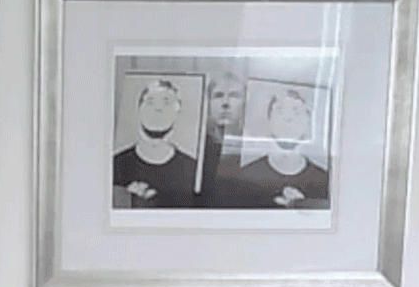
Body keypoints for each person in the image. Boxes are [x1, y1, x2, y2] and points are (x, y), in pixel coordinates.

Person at [225, 88, 330, 209]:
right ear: (269, 120)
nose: (288, 118)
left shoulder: (324, 181)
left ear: (308, 122)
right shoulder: (245, 178)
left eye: (296, 112)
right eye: (280, 111)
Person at [111, 79, 199, 208]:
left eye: (166, 102)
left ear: (178, 112)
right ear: (139, 109)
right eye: (150, 102)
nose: (158, 109)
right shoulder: (116, 165)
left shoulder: (193, 169)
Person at [196, 70, 249, 205]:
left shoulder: (250, 150)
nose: (226, 103)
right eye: (218, 96)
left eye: (234, 96)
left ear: (245, 104)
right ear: (208, 103)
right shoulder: (197, 148)